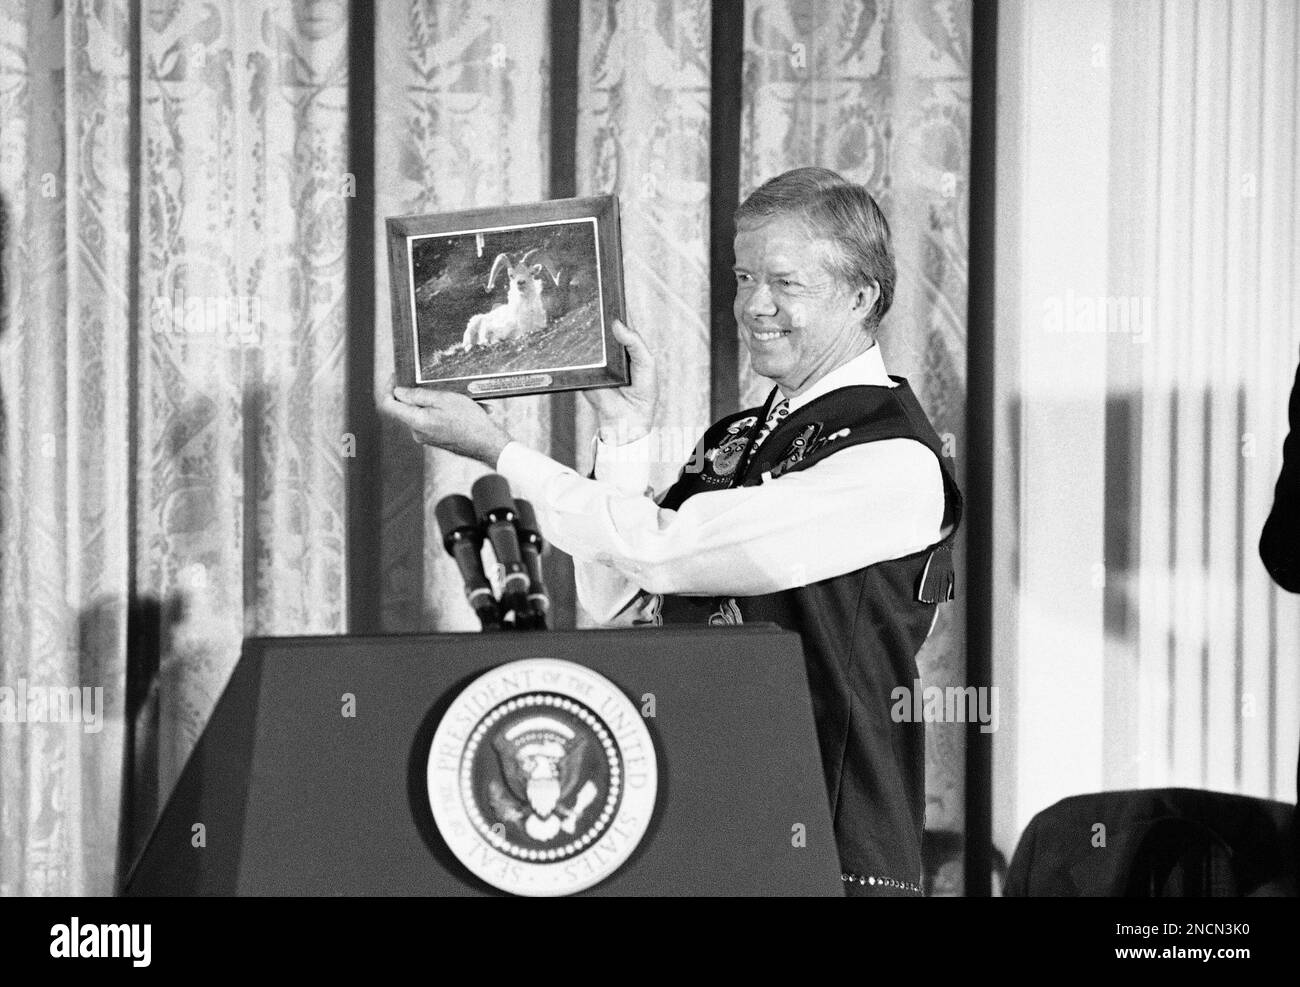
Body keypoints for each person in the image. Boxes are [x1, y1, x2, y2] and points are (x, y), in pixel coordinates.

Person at [382, 167, 963, 896]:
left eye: (786, 282)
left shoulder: (892, 458)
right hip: (700, 819)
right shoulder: (739, 437)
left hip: (824, 843)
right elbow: (620, 594)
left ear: (861, 296)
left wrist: (498, 450)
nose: (755, 305)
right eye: (743, 276)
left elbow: (663, 548)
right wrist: (624, 436)